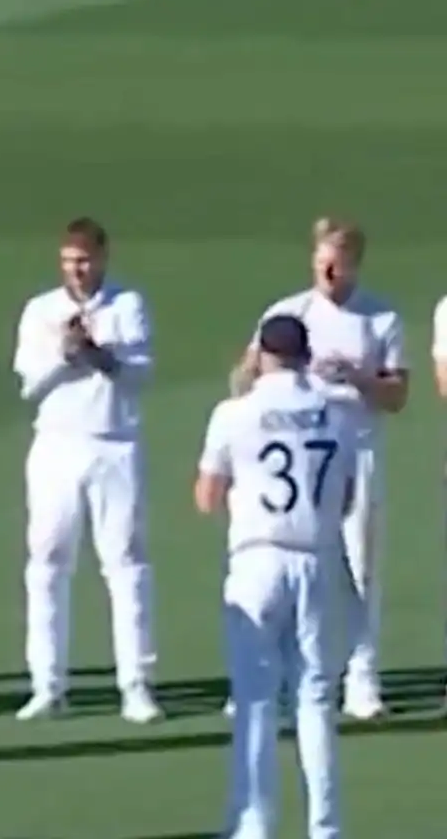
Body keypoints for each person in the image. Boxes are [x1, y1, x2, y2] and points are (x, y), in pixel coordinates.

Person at [229, 216, 405, 720]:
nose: (330, 270)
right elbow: (242, 379)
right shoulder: (287, 313)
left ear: (355, 264)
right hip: (297, 451)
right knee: (290, 558)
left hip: (357, 449)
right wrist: (272, 369)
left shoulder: (379, 317)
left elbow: (397, 396)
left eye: (341, 261)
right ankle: (285, 673)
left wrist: (357, 376)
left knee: (360, 565)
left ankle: (362, 678)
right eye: (324, 258)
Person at [198, 315, 348, 839]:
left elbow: (206, 496)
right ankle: (325, 828)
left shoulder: (234, 413)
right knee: (314, 698)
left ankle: (253, 824)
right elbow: (346, 496)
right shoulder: (335, 412)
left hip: (258, 559)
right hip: (319, 557)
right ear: (305, 356)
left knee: (257, 697)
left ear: (261, 353)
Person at [11, 217, 159, 723]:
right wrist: (64, 355)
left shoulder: (127, 306)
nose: (77, 271)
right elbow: (29, 386)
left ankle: (135, 684)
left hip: (114, 444)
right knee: (47, 560)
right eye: (69, 262)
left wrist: (96, 355)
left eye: (86, 261)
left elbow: (140, 373)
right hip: (55, 446)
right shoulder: (40, 311)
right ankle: (47, 684)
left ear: (102, 257)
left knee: (125, 562)